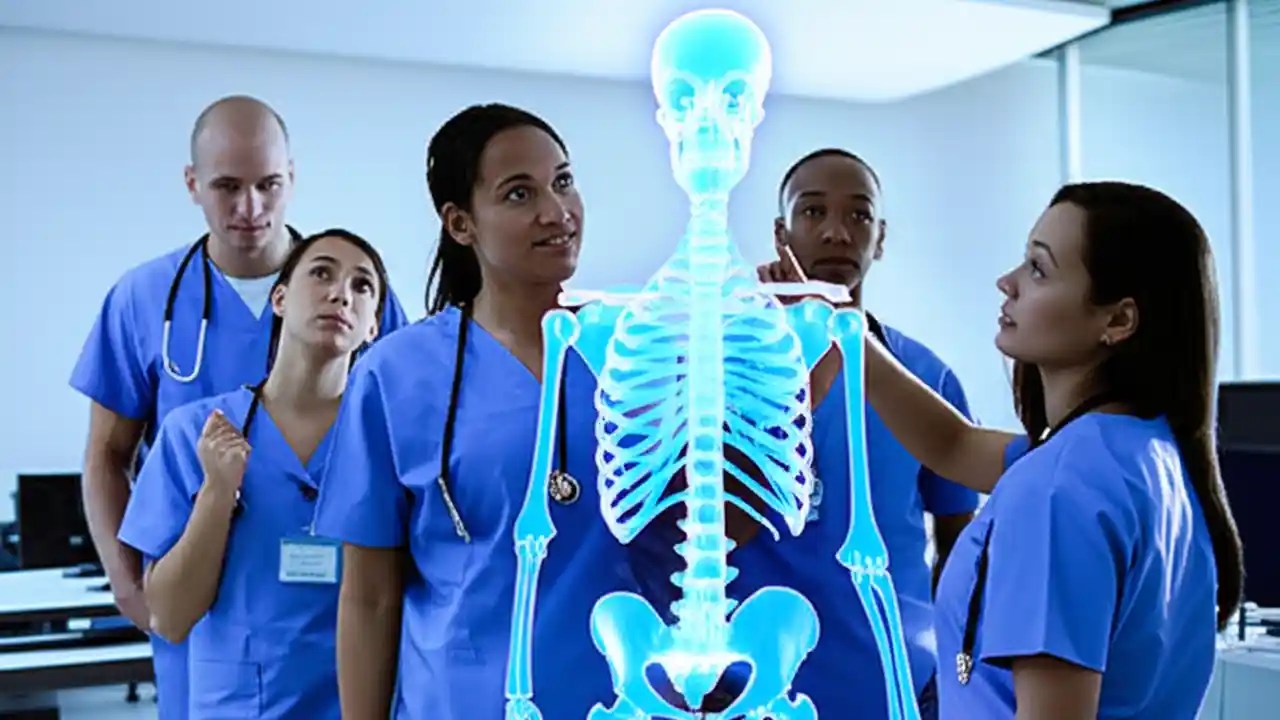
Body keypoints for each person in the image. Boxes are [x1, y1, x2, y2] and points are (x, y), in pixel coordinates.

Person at [847, 181, 1244, 718]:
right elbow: (954, 444)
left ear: (1118, 320)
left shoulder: (1056, 489)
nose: (1006, 283)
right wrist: (846, 336)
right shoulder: (1148, 454)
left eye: (1039, 268)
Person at [68, 94, 409, 718]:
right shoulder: (144, 301)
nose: (250, 208)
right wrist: (130, 590)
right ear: (192, 183)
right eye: (226, 186)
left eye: (268, 185)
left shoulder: (357, 295)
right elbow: (105, 455)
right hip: (213, 624)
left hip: (352, 632)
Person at [311, 103, 633, 720]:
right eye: (519, 194)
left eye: (563, 181)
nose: (555, 211)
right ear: (461, 224)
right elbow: (370, 597)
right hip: (460, 702)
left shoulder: (639, 354)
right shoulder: (397, 374)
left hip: (625, 701)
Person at [651, 148, 975, 718]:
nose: (836, 233)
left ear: (880, 238)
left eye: (858, 216)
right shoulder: (715, 367)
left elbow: (959, 537)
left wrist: (955, 659)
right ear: (781, 232)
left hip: (899, 680)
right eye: (812, 212)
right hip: (749, 688)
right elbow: (706, 529)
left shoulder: (927, 377)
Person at [116, 229, 391, 718]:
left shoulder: (391, 443)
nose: (340, 293)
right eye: (322, 273)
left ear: (373, 326)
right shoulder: (193, 434)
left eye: (362, 285)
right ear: (280, 298)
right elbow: (170, 617)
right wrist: (217, 495)